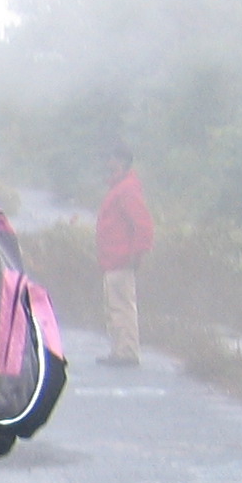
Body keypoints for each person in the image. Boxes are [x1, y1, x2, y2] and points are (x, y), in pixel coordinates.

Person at [95, 144, 154, 367]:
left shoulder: (127, 190)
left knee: (122, 307)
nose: (107, 164)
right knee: (115, 308)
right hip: (113, 260)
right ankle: (120, 350)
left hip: (121, 260)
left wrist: (137, 255)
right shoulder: (120, 188)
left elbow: (143, 225)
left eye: (111, 159)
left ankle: (127, 352)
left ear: (121, 162)